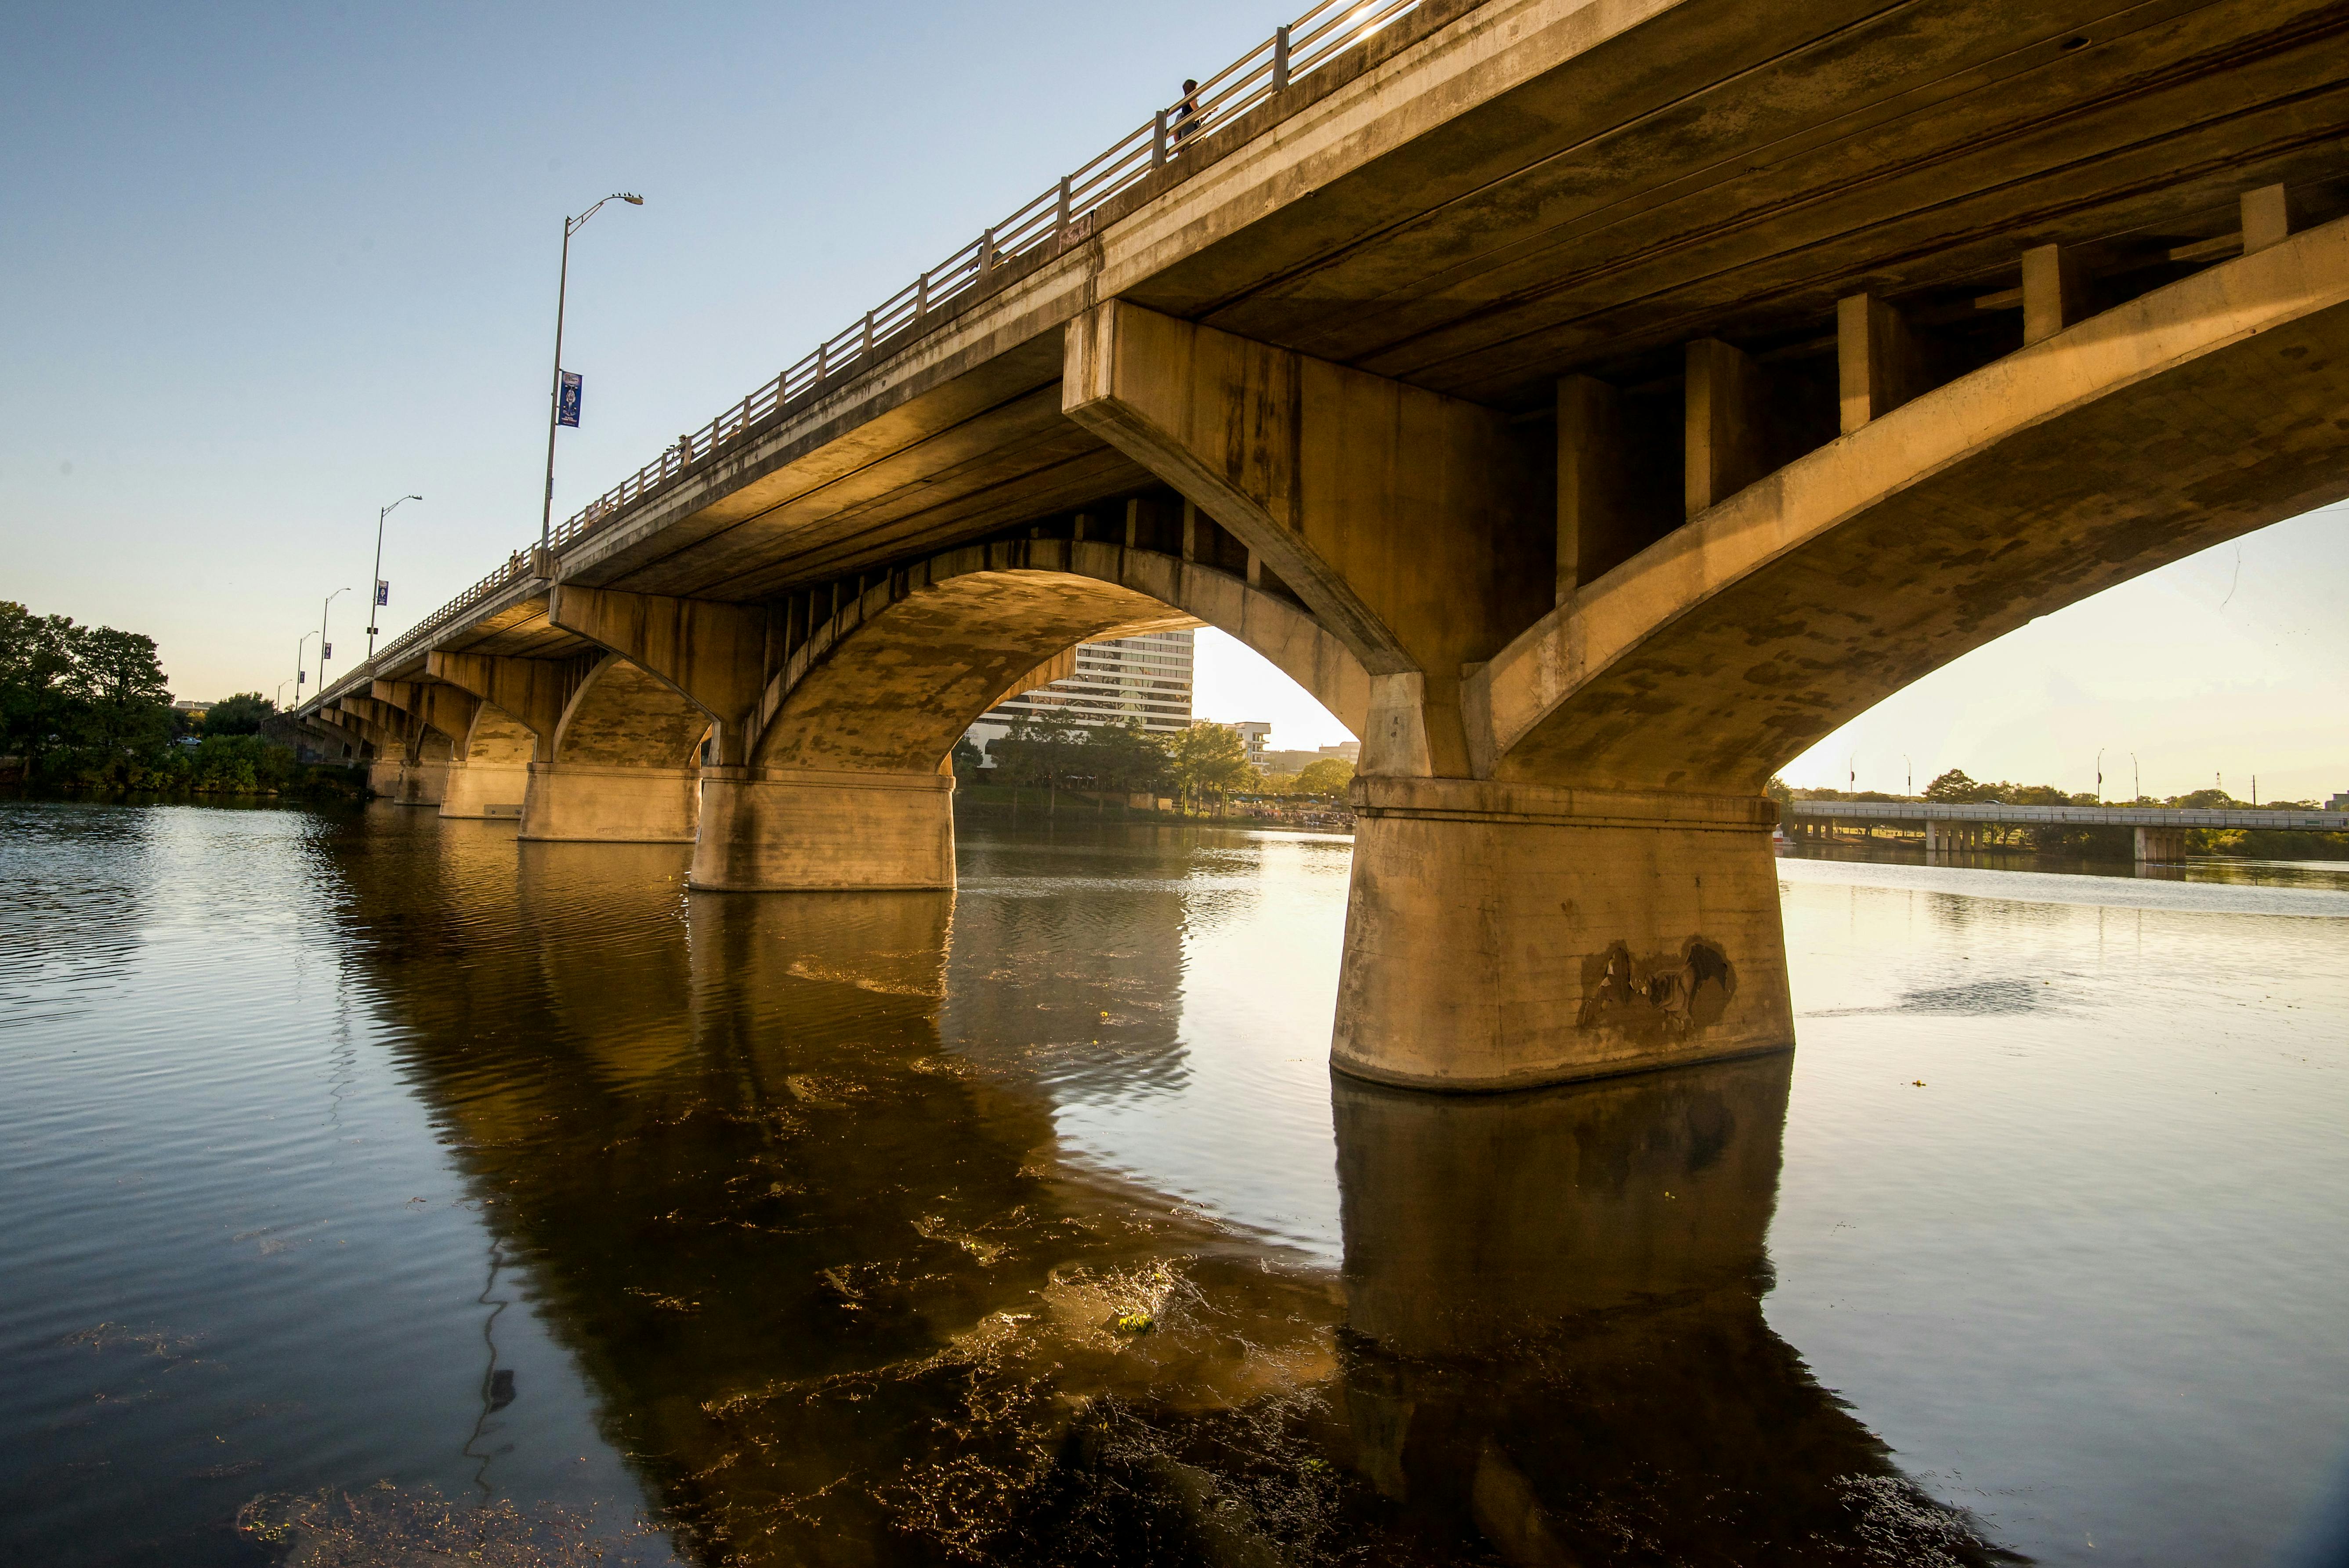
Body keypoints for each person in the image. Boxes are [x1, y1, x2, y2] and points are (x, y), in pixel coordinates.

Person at [1173, 78, 1201, 146]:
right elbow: (1198, 111)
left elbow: (1199, 121)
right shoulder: (1191, 98)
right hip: (1190, 130)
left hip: (1188, 130)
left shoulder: (1185, 104)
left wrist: (1209, 114)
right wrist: (1206, 110)